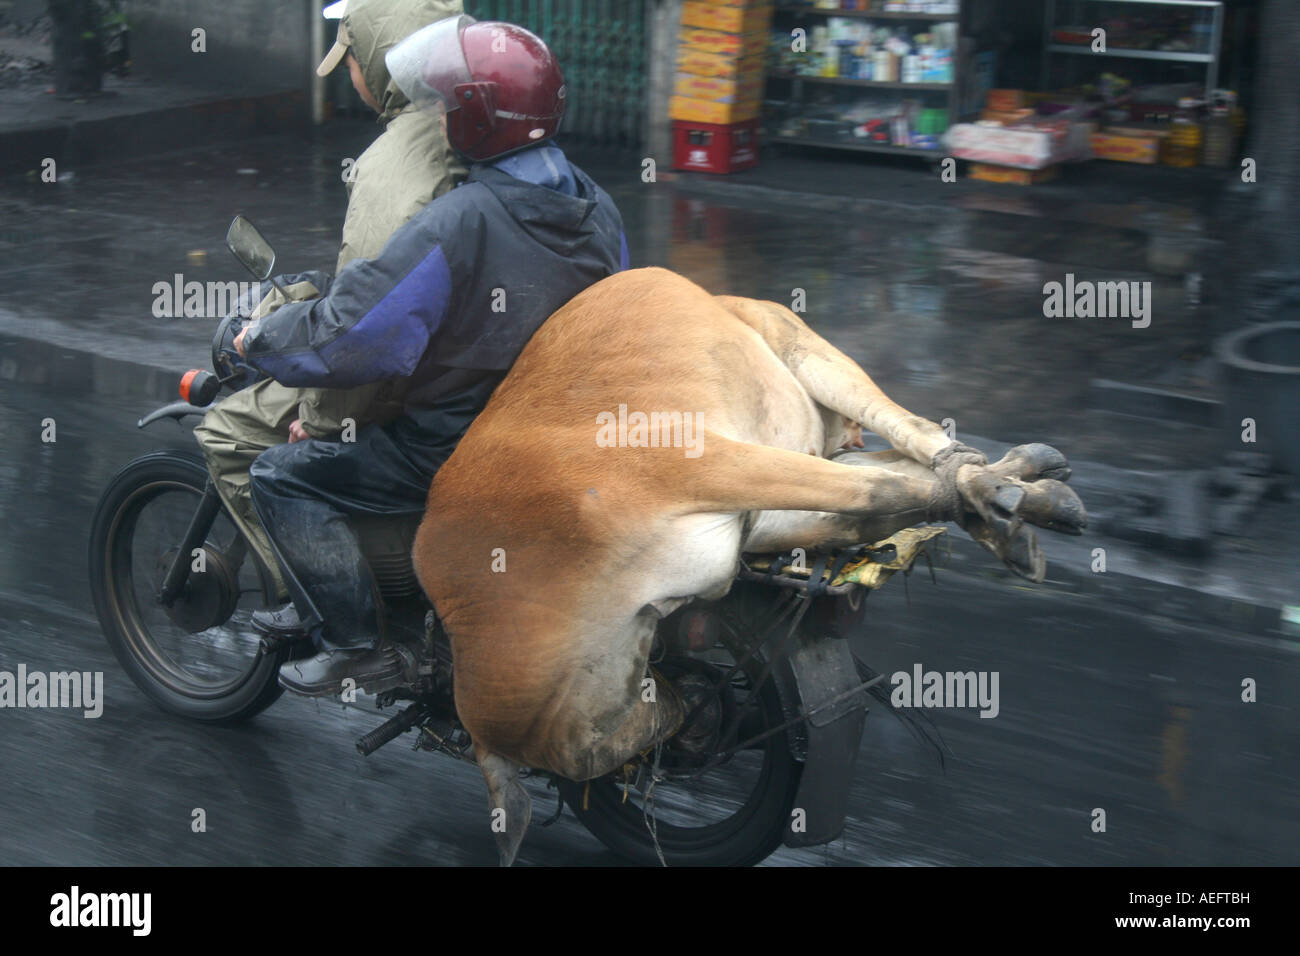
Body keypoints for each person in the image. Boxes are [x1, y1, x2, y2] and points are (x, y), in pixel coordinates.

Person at [236, 16, 631, 697]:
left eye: (450, 103)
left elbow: (349, 339)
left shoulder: (462, 220)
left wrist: (261, 340)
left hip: (454, 449)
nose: (441, 115)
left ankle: (357, 646)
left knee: (281, 475)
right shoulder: (598, 208)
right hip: (558, 439)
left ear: (474, 120)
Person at [194, 0, 466, 603]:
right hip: (458, 378)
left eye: (351, 58)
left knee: (228, 432)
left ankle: (320, 601)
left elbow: (360, 333)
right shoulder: (470, 132)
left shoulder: (394, 166)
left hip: (401, 391)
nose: (349, 74)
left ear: (379, 60)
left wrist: (320, 423)